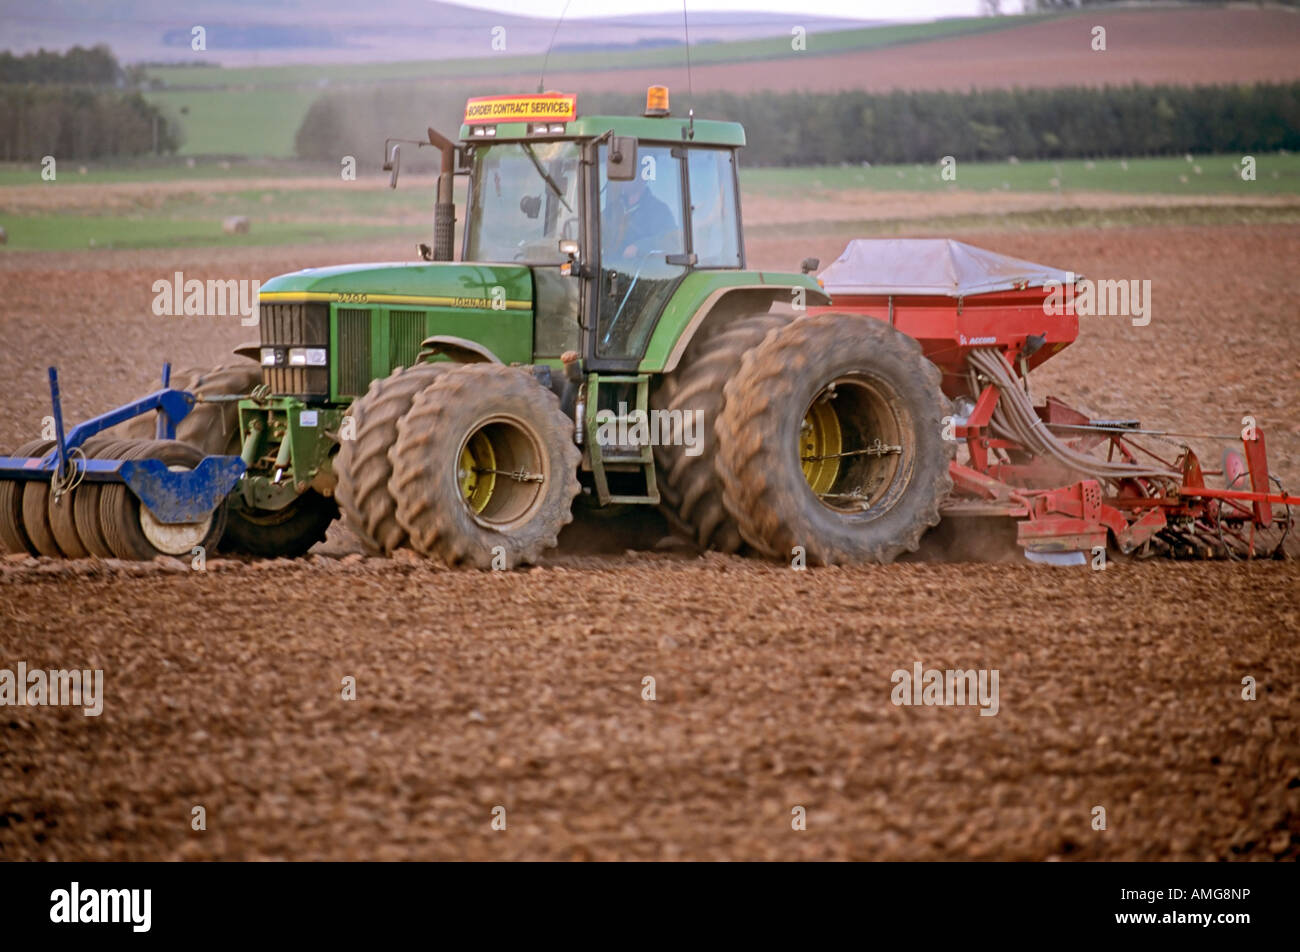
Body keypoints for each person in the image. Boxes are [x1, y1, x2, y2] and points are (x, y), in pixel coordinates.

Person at [606, 175, 680, 260]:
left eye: (628, 176)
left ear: (642, 179)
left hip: (644, 270)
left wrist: (639, 247)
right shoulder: (612, 209)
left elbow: (673, 240)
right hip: (609, 268)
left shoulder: (659, 210)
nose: (623, 181)